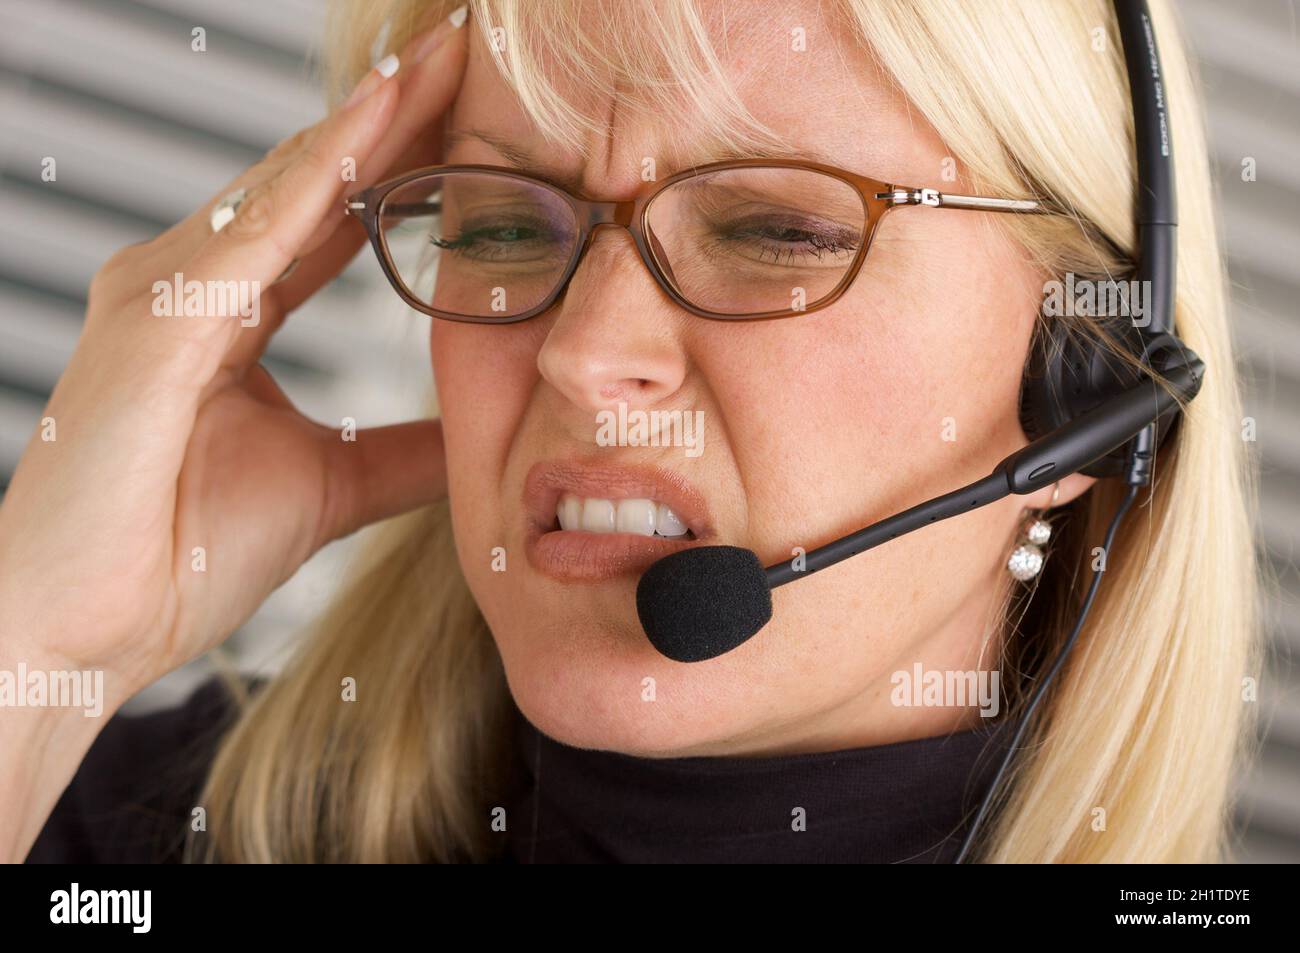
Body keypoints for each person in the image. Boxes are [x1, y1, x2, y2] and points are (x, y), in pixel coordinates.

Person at [4, 0, 1257, 864]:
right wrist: (41, 641)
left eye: (776, 230)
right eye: (500, 225)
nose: (579, 350)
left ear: (1088, 378)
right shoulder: (117, 820)